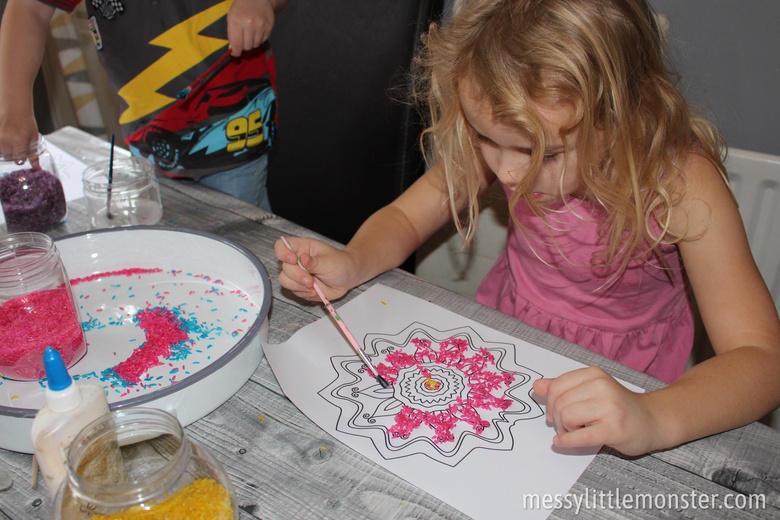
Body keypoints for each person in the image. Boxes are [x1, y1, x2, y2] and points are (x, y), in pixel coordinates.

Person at [274, 0, 780, 456]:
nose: (508, 172)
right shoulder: (511, 136)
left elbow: (760, 358)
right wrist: (353, 260)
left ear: (622, 114)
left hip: (626, 379)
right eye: (486, 138)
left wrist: (654, 416)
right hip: (508, 340)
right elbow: (408, 215)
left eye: (545, 153)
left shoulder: (680, 184)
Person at [0, 0, 288, 210]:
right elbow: (30, 8)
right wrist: (14, 109)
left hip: (234, 140)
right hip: (147, 143)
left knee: (247, 250)